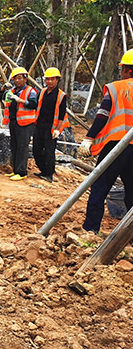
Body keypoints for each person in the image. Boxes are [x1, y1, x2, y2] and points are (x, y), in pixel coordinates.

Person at [76, 49, 133, 233]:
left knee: (99, 188)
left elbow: (102, 115)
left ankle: (91, 231)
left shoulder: (117, 88)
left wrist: (88, 138)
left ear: (127, 69)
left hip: (116, 146)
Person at [0, 67, 38, 181]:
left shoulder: (31, 91)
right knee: (14, 146)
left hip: (26, 123)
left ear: (25, 79)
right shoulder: (13, 91)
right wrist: (3, 89)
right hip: (14, 122)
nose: (17, 81)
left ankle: (21, 172)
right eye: (15, 79)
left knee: (22, 147)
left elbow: (34, 104)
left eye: (20, 78)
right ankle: (15, 170)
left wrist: (21, 101)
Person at [32, 67, 70, 182]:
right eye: (47, 79)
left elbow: (62, 114)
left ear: (57, 80)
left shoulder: (61, 95)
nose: (49, 82)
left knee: (49, 151)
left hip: (51, 127)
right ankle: (43, 170)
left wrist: (58, 130)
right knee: (36, 149)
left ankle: (49, 174)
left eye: (52, 79)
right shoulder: (43, 92)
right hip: (39, 125)